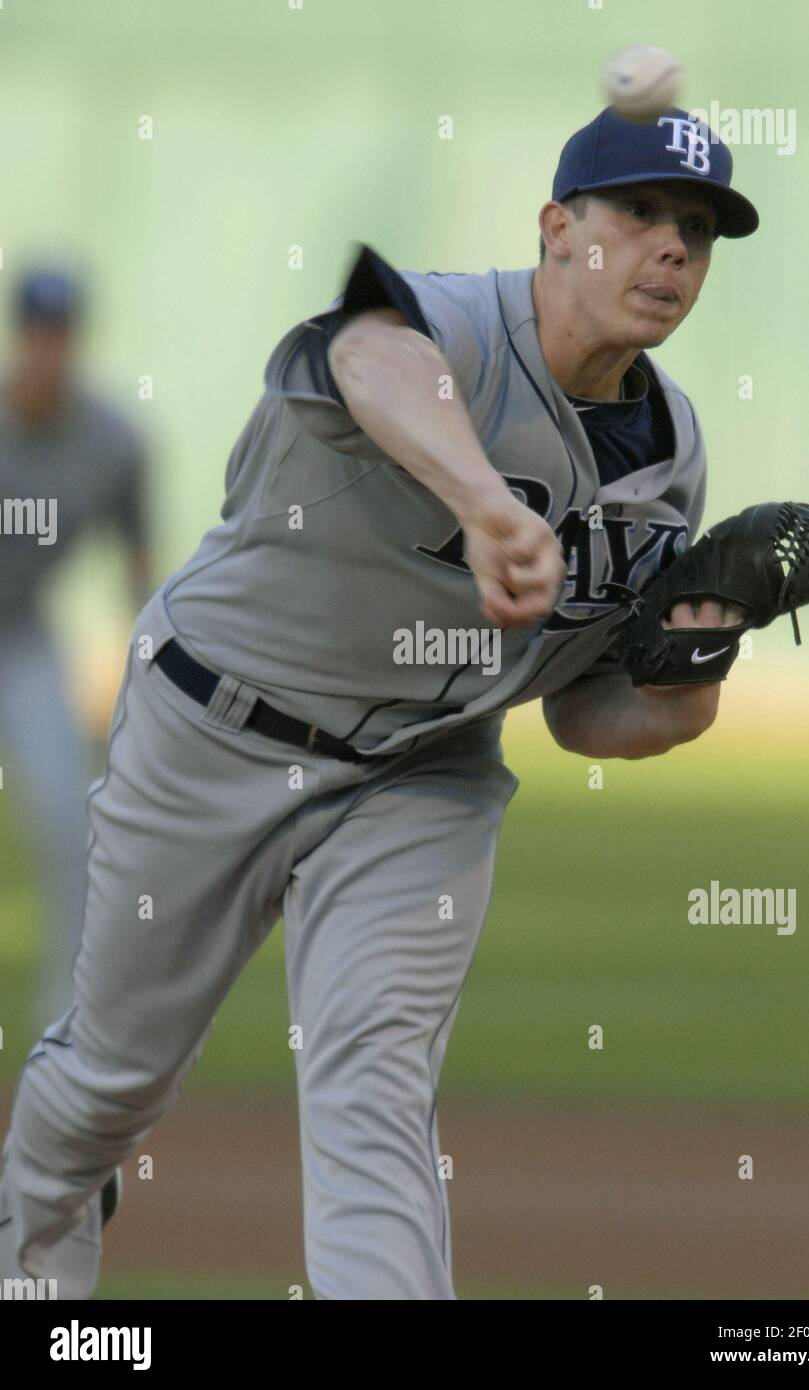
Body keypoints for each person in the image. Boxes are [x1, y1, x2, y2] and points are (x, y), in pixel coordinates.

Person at [0, 108, 755, 1300]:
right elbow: (365, 354)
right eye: (640, 215)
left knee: (374, 1086)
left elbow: (590, 716)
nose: (671, 249)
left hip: (422, 776)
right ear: (557, 230)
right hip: (211, 725)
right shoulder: (448, 319)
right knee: (110, 1081)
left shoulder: (670, 455)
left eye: (699, 230)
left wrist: (697, 675)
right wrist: (481, 500)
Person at [0, 269, 151, 1032]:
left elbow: (137, 566)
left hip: (22, 639)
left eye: (59, 334)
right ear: (19, 336)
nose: (48, 348)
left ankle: (66, 1024)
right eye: (36, 332)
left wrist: (140, 687)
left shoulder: (111, 440)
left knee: (73, 819)